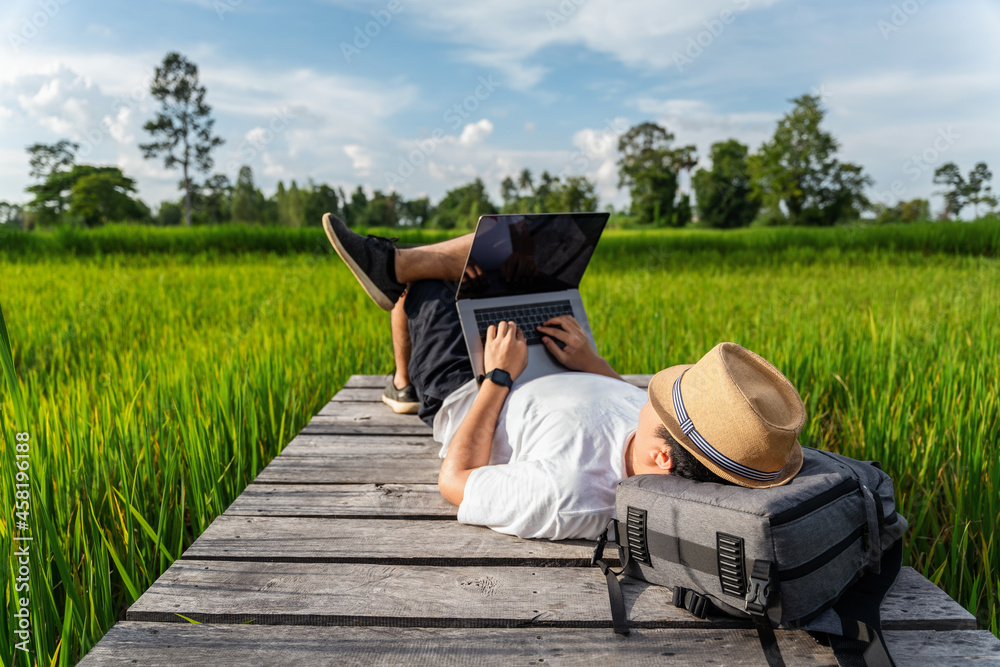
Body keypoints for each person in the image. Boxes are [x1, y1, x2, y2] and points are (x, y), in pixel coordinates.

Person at [322, 213, 808, 541]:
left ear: (660, 457)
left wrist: (497, 376)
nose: (655, 395)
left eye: (663, 402)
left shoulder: (566, 495)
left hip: (471, 389)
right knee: (514, 249)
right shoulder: (682, 445)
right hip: (551, 363)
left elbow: (456, 480)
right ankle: (396, 273)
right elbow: (631, 408)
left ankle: (404, 363)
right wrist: (592, 362)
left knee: (427, 284)